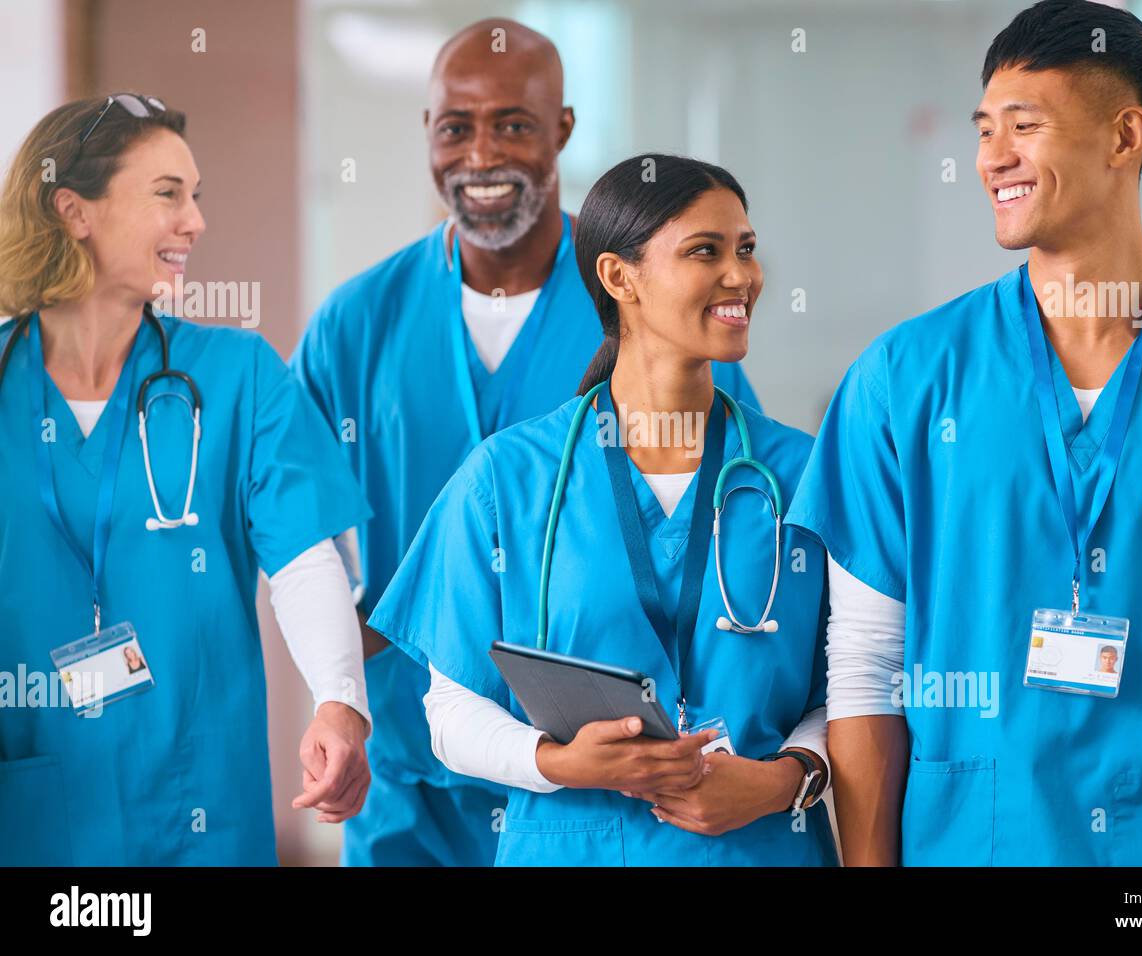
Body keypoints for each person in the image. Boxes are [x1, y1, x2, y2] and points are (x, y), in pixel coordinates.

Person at [787, 0, 1142, 866]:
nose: (992, 158)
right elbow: (866, 667)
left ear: (1124, 136)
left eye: (1024, 126)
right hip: (976, 844)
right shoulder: (906, 381)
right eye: (985, 129)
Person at [291, 19, 758, 866]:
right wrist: (339, 693)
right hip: (410, 763)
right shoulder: (355, 326)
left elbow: (735, 511)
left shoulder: (645, 299)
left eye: (512, 123)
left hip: (610, 780)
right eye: (454, 126)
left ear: (564, 131)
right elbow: (295, 539)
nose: (481, 154)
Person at [367, 154, 836, 867]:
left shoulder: (804, 475)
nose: (741, 275)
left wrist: (782, 783)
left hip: (758, 848)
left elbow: (861, 682)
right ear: (620, 278)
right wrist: (561, 762)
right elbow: (451, 712)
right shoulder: (509, 479)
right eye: (705, 252)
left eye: (745, 249)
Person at [0, 95, 373, 865]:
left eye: (194, 196)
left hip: (195, 798)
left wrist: (340, 704)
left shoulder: (237, 377)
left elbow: (305, 560)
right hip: (32, 798)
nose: (195, 221)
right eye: (167, 193)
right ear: (75, 211)